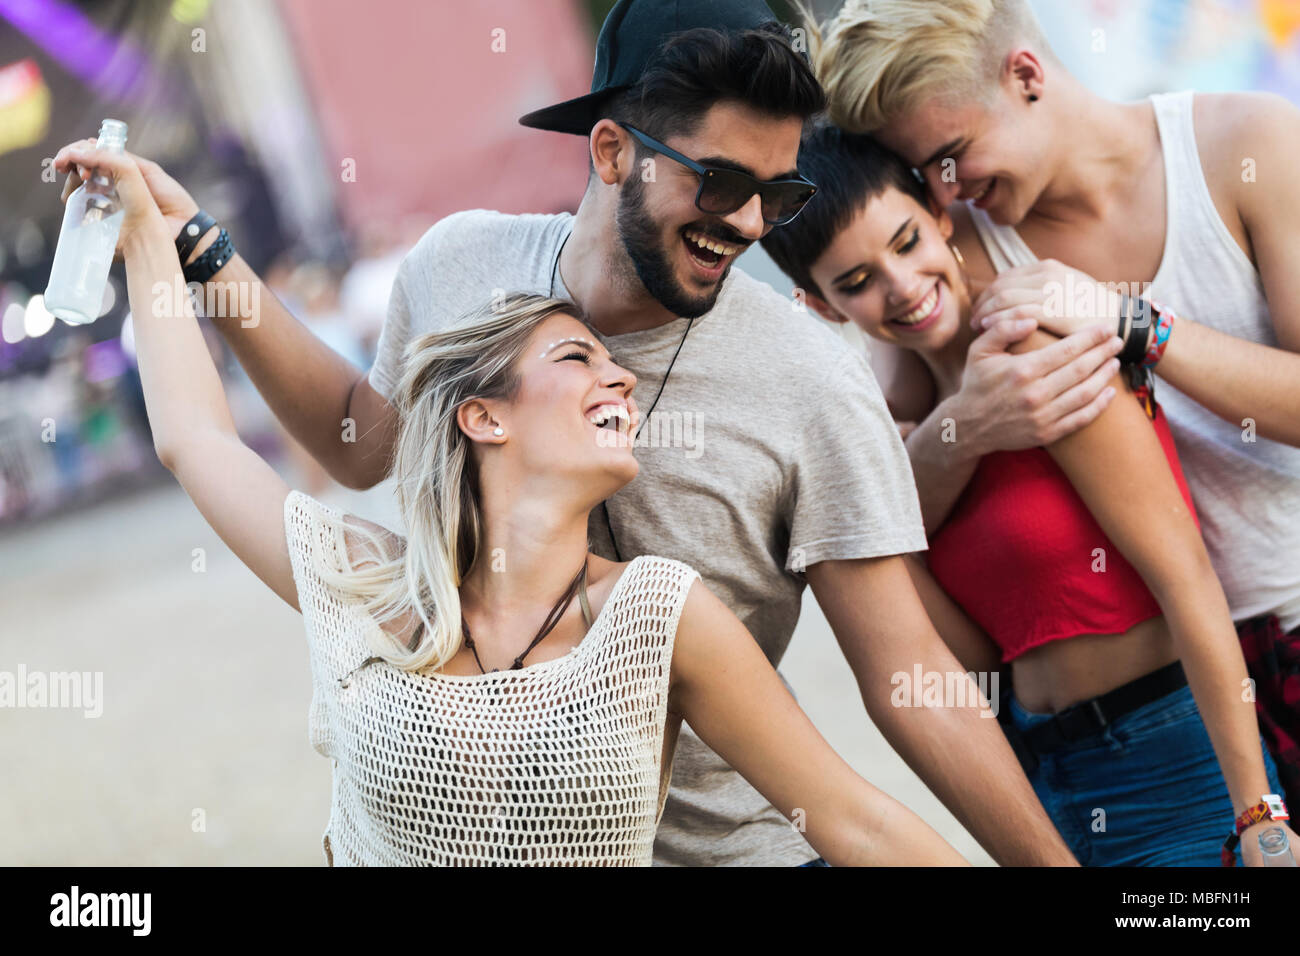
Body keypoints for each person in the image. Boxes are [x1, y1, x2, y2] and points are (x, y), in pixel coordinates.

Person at [57, 0, 1079, 867]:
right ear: (610, 148)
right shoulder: (457, 270)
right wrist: (193, 247)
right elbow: (360, 443)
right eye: (721, 184)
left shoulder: (808, 382)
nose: (755, 224)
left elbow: (907, 690)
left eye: (781, 192)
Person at [804, 0, 1300, 818]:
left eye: (951, 156)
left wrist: (1135, 325)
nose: (944, 190)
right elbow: (893, 488)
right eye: (923, 174)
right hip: (1179, 685)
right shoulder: (945, 248)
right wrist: (968, 425)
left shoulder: (1246, 147)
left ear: (1026, 75)